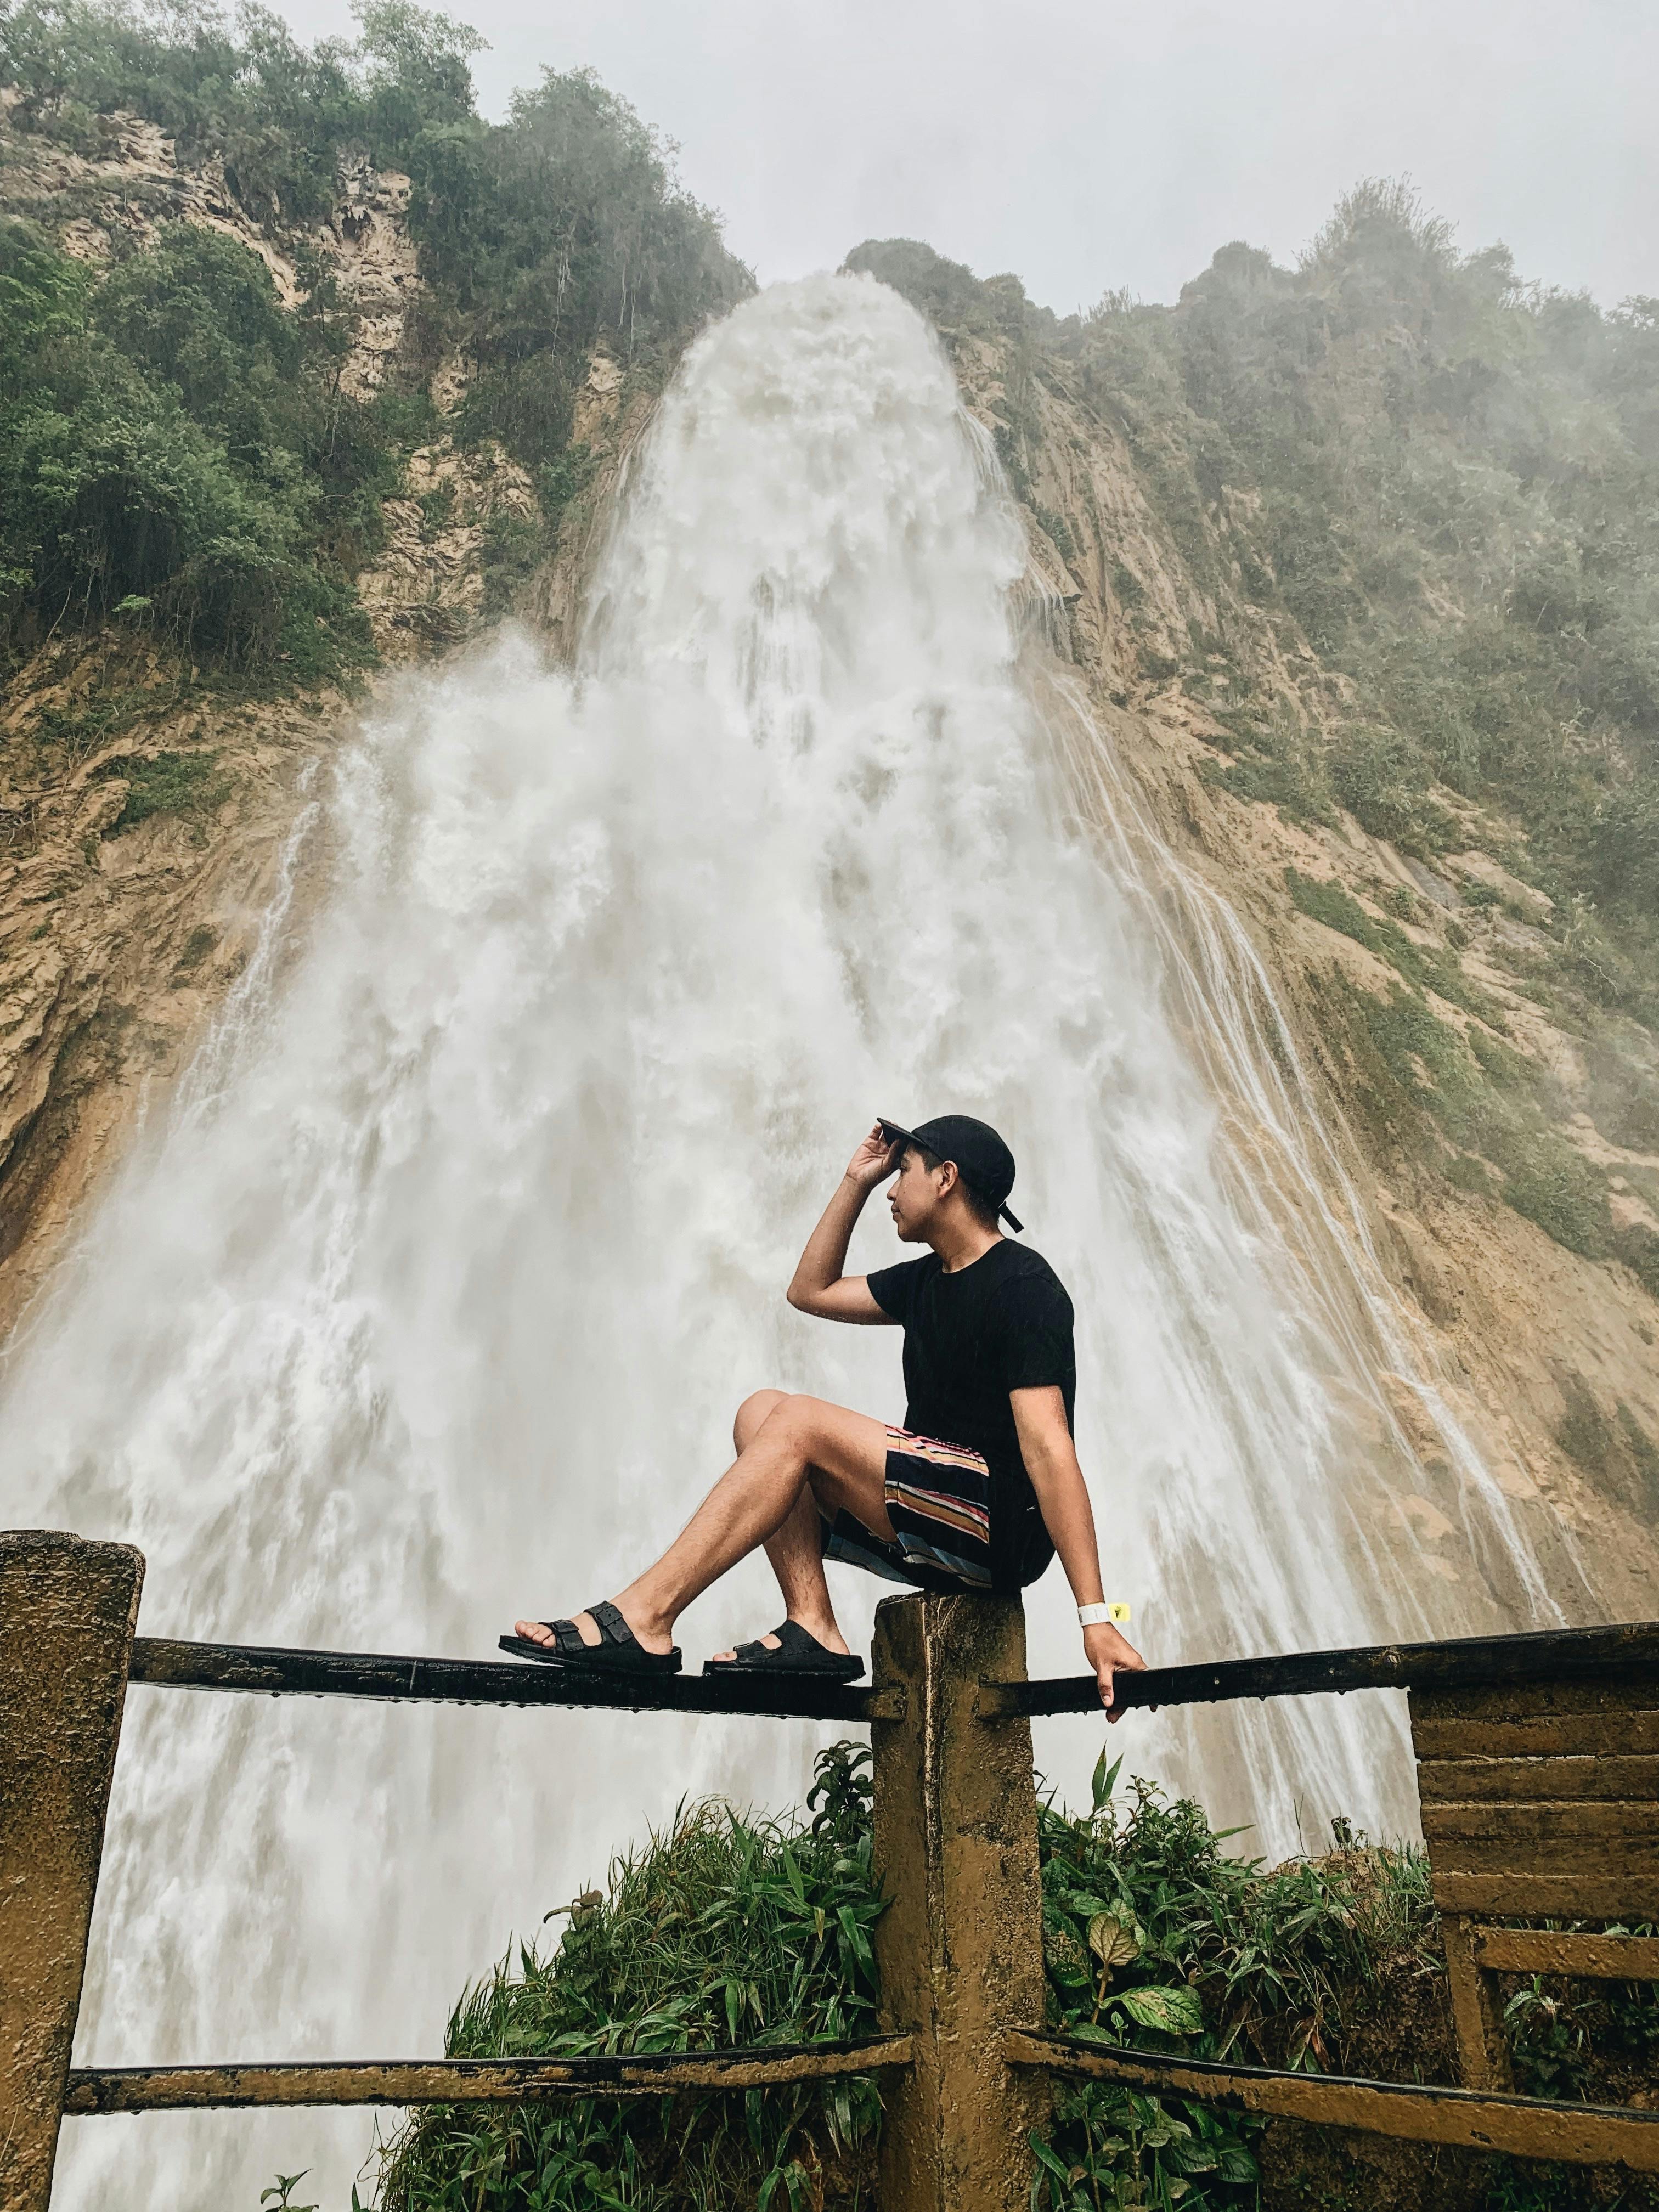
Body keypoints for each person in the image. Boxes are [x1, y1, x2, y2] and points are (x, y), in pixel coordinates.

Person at [502, 1116, 1147, 1713]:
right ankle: (814, 1625)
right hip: (936, 1519)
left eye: (904, 1171)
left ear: (946, 1178)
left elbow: (1049, 1450)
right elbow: (808, 1291)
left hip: (1001, 1528)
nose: (893, 1189)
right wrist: (854, 1183)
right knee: (762, 1414)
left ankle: (645, 1617)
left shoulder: (1023, 1286)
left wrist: (1093, 1616)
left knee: (801, 1422)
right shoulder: (927, 1280)